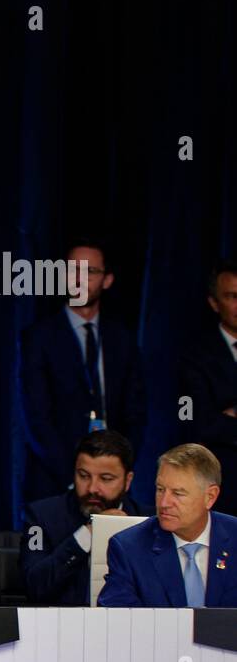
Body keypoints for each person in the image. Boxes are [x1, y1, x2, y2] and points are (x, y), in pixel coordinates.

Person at [20, 239, 146, 502]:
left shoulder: (122, 339)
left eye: (90, 271)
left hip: (114, 481)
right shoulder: (39, 337)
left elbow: (136, 411)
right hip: (56, 480)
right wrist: (76, 476)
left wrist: (118, 470)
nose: (79, 279)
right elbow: (35, 417)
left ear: (107, 280)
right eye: (72, 270)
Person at [97, 443, 237, 607]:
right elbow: (118, 622)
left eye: (178, 493)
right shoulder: (129, 549)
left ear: (210, 497)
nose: (164, 503)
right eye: (160, 489)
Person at [21, 430, 147, 605]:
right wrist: (86, 535)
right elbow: (34, 587)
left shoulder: (146, 522)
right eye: (84, 476)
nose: (92, 488)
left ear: (127, 481)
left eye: (106, 478)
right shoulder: (41, 517)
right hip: (63, 626)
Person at [178, 258, 237, 515]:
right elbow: (196, 423)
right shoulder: (195, 355)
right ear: (214, 303)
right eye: (232, 296)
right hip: (224, 485)